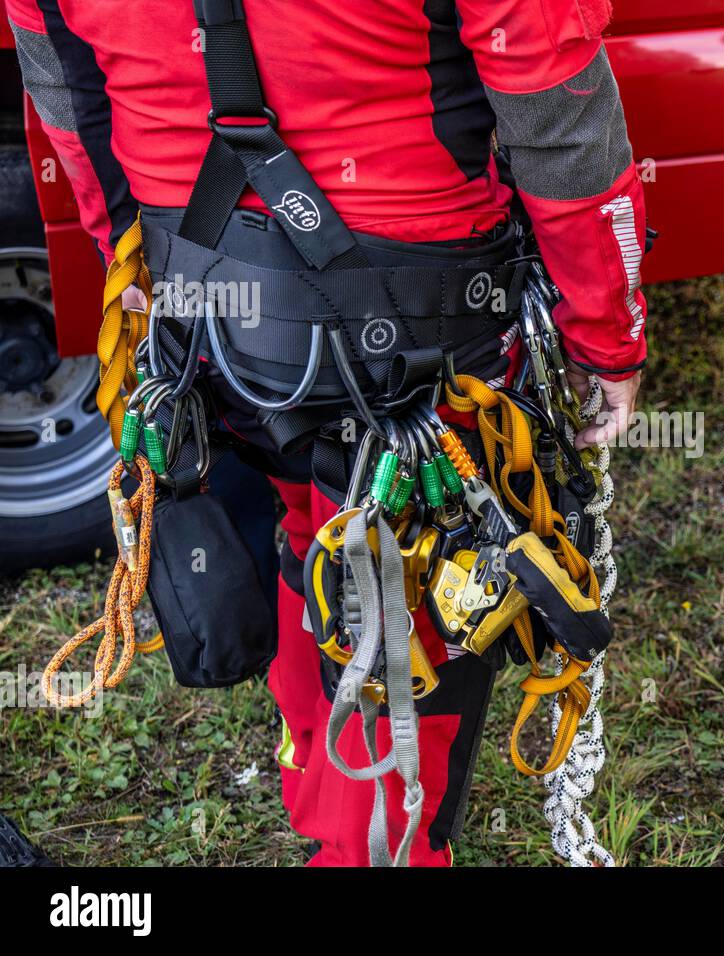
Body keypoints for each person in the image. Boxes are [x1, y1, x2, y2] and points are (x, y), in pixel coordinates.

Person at [9, 0, 646, 866]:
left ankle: (322, 785)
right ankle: (365, 845)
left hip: (211, 310)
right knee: (401, 587)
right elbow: (558, 115)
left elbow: (69, 98)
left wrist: (135, 258)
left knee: (319, 528)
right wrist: (605, 332)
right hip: (421, 331)